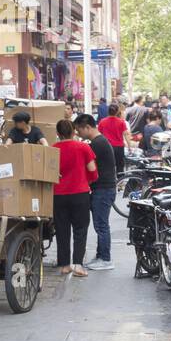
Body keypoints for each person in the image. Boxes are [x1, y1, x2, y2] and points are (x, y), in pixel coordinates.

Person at [53, 119, 96, 277]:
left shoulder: (53, 149)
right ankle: (78, 265)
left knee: (62, 229)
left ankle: (64, 265)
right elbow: (92, 169)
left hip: (58, 194)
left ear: (58, 133)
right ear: (73, 131)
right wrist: (89, 179)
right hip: (80, 193)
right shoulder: (83, 147)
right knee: (80, 229)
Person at [73, 114, 116, 271]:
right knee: (100, 224)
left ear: (87, 127)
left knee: (101, 225)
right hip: (103, 189)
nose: (78, 133)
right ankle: (100, 256)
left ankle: (105, 259)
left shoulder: (97, 143)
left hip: (103, 189)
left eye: (79, 130)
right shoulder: (99, 141)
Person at [97, 103, 131, 176]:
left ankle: (109, 181)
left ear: (108, 111)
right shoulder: (121, 122)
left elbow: (98, 134)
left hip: (106, 147)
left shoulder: (102, 121)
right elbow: (126, 134)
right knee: (119, 166)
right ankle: (120, 182)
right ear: (117, 112)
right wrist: (129, 146)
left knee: (107, 166)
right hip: (119, 147)